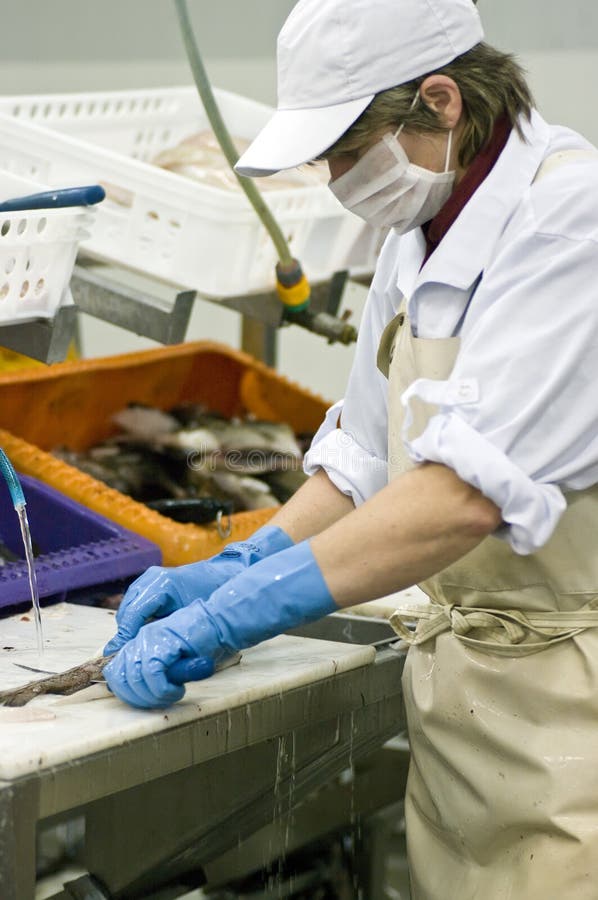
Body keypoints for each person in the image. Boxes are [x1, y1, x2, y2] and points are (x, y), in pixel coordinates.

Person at [104, 0, 598, 895]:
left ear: (442, 101)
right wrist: (239, 560)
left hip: (575, 705)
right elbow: (366, 458)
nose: (337, 179)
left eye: (347, 150)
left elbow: (459, 497)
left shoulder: (570, 221)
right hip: (466, 706)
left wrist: (241, 612)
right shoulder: (421, 229)